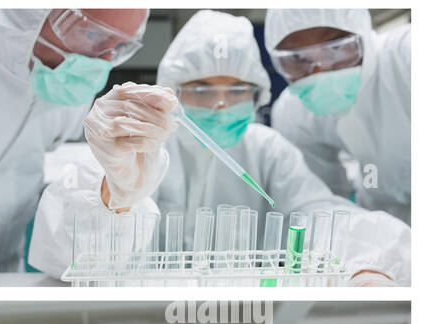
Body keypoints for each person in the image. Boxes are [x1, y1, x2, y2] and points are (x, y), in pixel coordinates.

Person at [28, 10, 411, 285]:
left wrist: (372, 262)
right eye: (202, 88)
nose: (222, 103)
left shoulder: (268, 150)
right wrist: (116, 191)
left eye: (237, 88)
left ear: (257, 93)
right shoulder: (141, 145)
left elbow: (317, 212)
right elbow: (65, 257)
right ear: (172, 92)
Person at [0, 8, 149, 273]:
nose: (106, 59)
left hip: (5, 265)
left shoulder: (67, 86)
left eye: (121, 45)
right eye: (92, 33)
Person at [265, 9, 411, 223]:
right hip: (380, 222)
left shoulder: (406, 56)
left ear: (362, 37)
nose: (320, 69)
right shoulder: (293, 111)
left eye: (336, 48)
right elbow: (321, 201)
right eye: (296, 57)